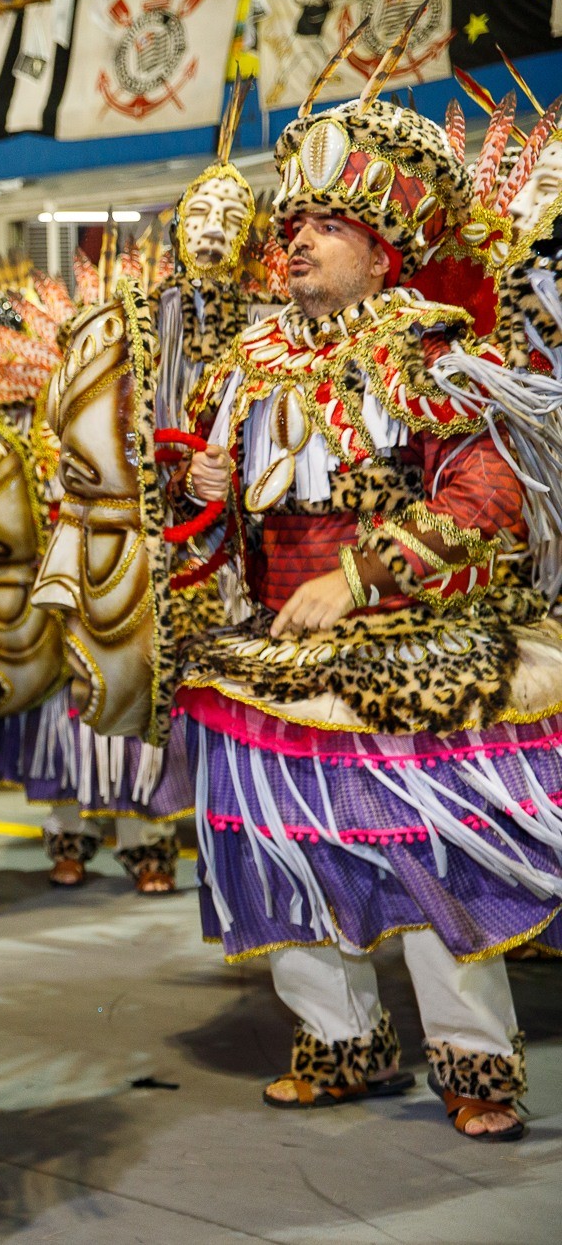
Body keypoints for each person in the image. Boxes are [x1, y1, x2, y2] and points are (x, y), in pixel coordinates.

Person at [162, 79, 562, 1143]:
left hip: (407, 651)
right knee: (286, 849)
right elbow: (216, 521)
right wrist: (196, 494)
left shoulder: (430, 354)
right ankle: (336, 1041)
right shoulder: (243, 366)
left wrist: (361, 575)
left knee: (429, 861)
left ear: (383, 251)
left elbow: (485, 501)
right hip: (275, 663)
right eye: (288, 225)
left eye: (323, 227)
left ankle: (473, 1065)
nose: (292, 244)